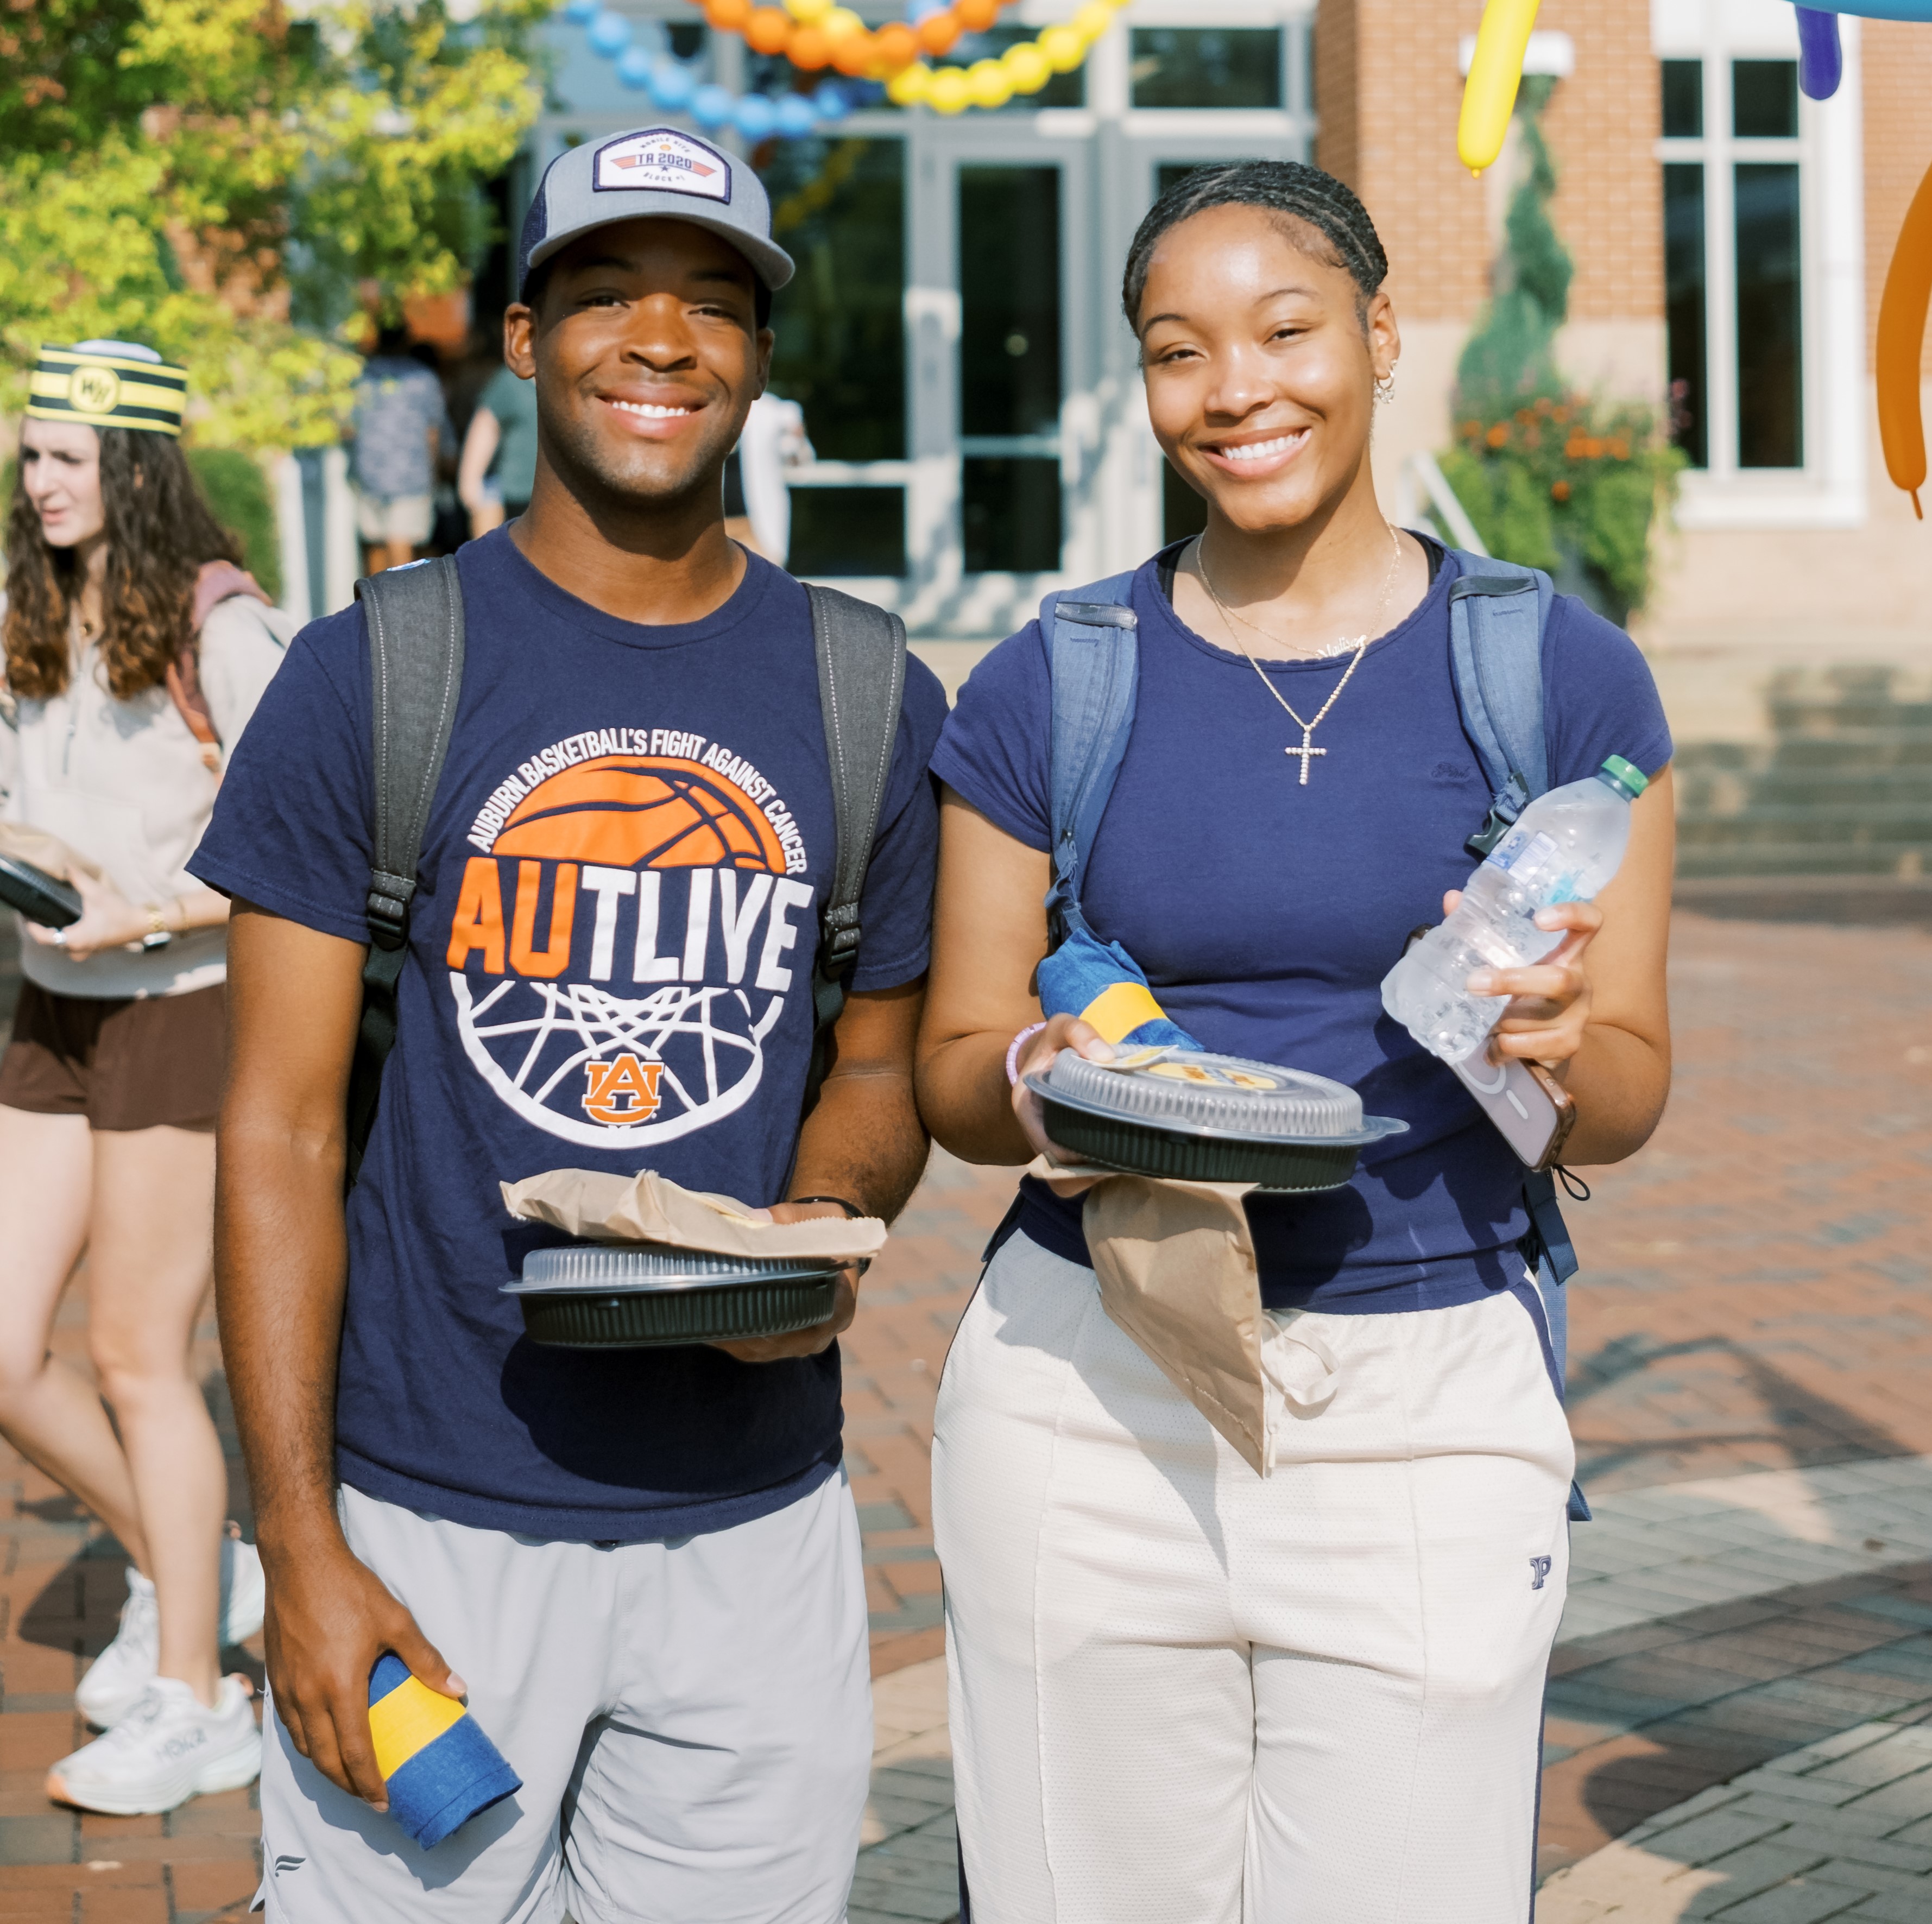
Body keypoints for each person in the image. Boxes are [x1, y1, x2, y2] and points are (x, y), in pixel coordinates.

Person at [192, 124, 946, 1921]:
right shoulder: (373, 671)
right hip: (431, 1517)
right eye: (602, 291)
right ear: (519, 342)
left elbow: (876, 1063)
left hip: (754, 1526)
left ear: (759, 356)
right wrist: (295, 1544)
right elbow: (279, 1129)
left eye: (708, 302)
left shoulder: (862, 690)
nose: (658, 337)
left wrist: (808, 1227)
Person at [915, 162, 1676, 1922]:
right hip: (1086, 1385)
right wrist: (1044, 1084)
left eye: (1282, 329)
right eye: (1176, 351)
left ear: (1378, 335)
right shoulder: (1054, 681)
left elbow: (1628, 1086)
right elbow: (955, 1060)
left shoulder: (1552, 673)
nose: (1233, 387)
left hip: (1426, 1395)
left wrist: (1558, 1043)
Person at [0, 340, 285, 1814]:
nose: (38, 481)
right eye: (30, 454)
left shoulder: (221, 628)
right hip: (55, 1007)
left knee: (132, 1357)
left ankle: (204, 1695)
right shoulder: (30, 605)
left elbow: (312, 847)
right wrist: (36, 855)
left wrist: (158, 907)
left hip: (181, 1005)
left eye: (64, 455)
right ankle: (199, 1557)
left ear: (134, 463)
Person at [348, 324, 450, 573]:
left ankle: (370, 609)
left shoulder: (361, 376)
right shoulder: (423, 377)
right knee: (402, 541)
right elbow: (434, 430)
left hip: (368, 471)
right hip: (411, 472)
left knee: (375, 545)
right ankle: (401, 609)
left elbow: (348, 427)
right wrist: (436, 469)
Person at [722, 390, 813, 566]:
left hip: (756, 525)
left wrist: (797, 438)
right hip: (713, 525)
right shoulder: (705, 406)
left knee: (765, 586)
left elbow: (798, 461)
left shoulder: (770, 410)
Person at [456, 351, 540, 538]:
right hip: (514, 493)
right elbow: (486, 425)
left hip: (562, 497)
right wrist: (470, 480)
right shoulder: (512, 381)